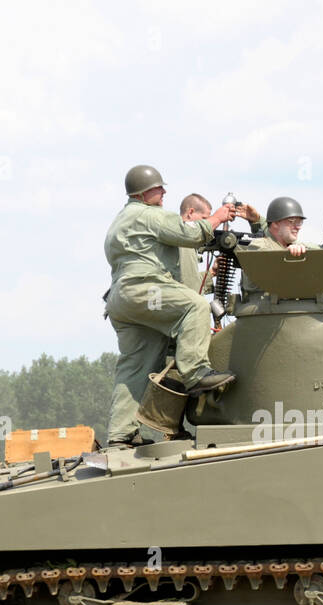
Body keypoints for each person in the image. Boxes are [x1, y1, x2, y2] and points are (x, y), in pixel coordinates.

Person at [104, 165, 239, 448]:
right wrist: (217, 218)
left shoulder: (121, 219)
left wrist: (209, 276)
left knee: (135, 366)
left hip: (122, 299)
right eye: (158, 188)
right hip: (145, 290)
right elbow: (189, 234)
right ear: (142, 193)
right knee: (195, 306)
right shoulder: (148, 215)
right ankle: (197, 373)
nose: (164, 192)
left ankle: (120, 434)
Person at [177, 193, 260, 294]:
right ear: (190, 212)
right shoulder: (184, 243)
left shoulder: (178, 237)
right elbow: (190, 289)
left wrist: (212, 272)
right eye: (204, 219)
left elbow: (184, 283)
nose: (208, 224)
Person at [240, 196, 313, 297]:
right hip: (266, 310)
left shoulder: (297, 246)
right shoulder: (258, 246)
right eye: (292, 221)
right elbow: (271, 275)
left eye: (299, 222)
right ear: (275, 223)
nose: (298, 227)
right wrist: (289, 255)